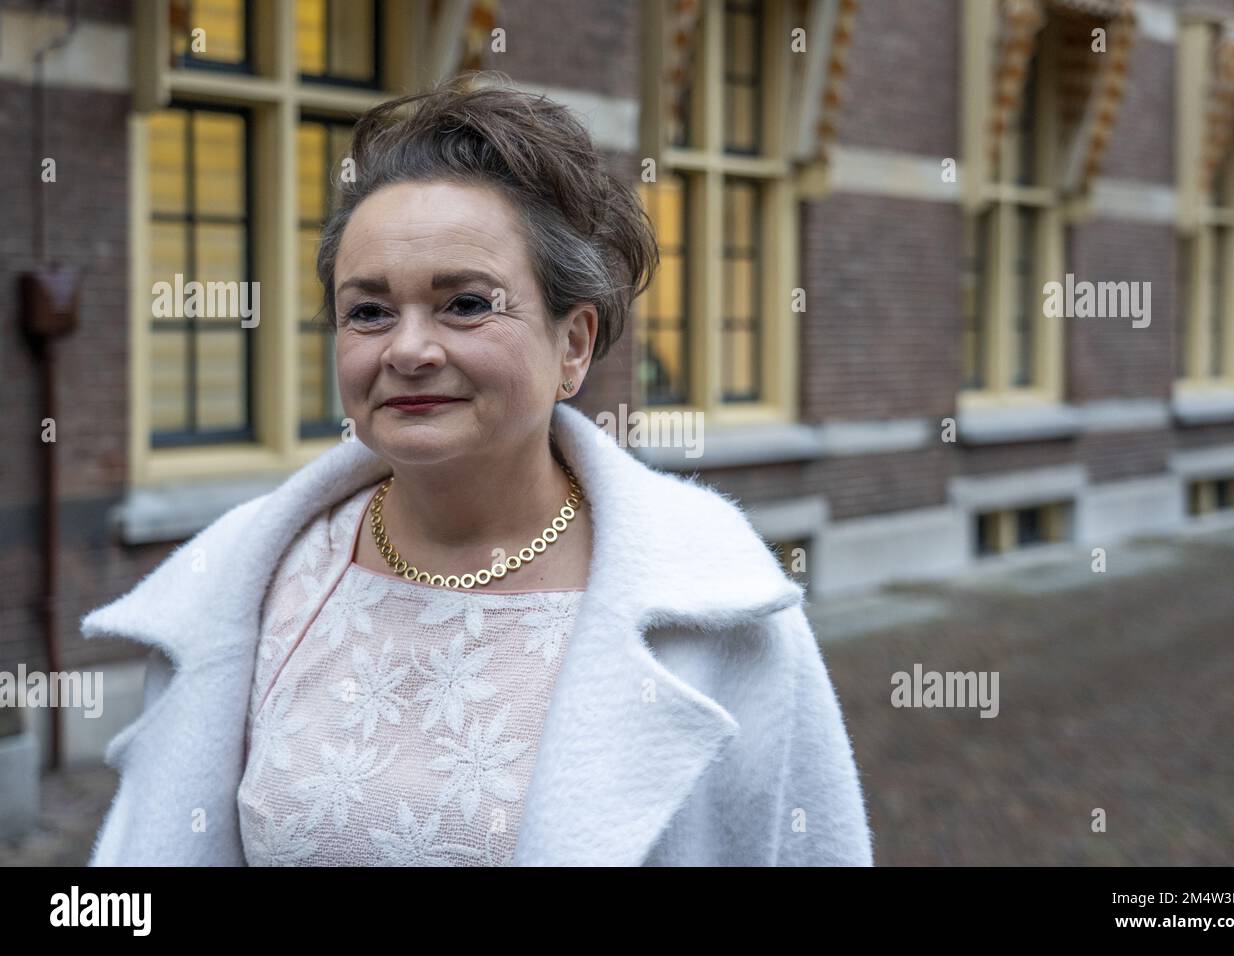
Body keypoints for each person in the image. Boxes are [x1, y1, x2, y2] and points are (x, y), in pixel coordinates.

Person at [81, 74, 874, 866]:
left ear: (574, 344)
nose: (408, 348)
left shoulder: (719, 613)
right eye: (369, 311)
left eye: (464, 303)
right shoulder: (254, 586)